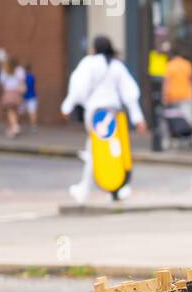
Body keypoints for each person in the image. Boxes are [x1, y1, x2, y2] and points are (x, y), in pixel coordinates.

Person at [60, 35, 146, 203]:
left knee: (95, 151)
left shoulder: (89, 64)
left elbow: (78, 87)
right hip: (113, 112)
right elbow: (130, 93)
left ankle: (98, 188)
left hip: (95, 113)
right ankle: (115, 186)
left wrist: (67, 107)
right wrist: (138, 118)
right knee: (112, 148)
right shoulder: (117, 66)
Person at [0, 58, 26, 138]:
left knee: (10, 111)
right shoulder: (19, 70)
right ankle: (13, 127)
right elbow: (22, 82)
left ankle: (15, 126)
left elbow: (2, 85)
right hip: (16, 93)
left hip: (8, 93)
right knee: (15, 111)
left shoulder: (4, 71)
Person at [23, 64, 38, 131]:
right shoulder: (32, 76)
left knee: (22, 111)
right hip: (32, 96)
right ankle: (33, 126)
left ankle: (20, 124)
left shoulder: (24, 77)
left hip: (25, 97)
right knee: (32, 111)